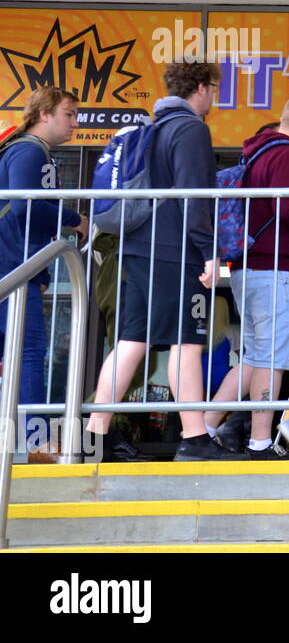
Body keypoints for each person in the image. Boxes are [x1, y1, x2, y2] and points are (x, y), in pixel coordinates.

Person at [85, 62, 230, 461]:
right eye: (214, 88)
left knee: (132, 340)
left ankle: (95, 436)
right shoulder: (190, 129)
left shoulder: (153, 128)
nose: (214, 97)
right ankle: (195, 439)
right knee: (188, 340)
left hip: (137, 247)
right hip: (174, 251)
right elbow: (194, 195)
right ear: (200, 87)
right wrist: (209, 251)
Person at [203, 96, 289, 459]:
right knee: (273, 360)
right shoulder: (288, 155)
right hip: (279, 272)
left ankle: (205, 427)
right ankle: (260, 442)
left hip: (248, 268)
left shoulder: (256, 152)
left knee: (253, 357)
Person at [0, 87, 88, 459]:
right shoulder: (30, 151)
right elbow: (26, 206)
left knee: (18, 353)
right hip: (14, 270)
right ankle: (36, 442)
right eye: (69, 114)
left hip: (15, 267)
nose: (75, 123)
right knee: (29, 352)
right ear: (44, 113)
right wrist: (75, 219)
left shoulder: (25, 150)